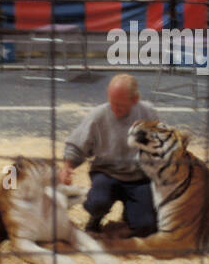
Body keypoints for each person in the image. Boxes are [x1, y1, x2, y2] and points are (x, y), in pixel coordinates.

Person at [59, 73, 159, 237]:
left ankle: (130, 213)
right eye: (112, 103)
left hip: (139, 177)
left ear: (135, 100)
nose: (115, 109)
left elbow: (160, 145)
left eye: (120, 105)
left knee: (146, 227)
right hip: (107, 173)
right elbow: (77, 144)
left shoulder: (148, 113)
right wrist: (67, 166)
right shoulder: (98, 115)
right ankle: (95, 218)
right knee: (97, 202)